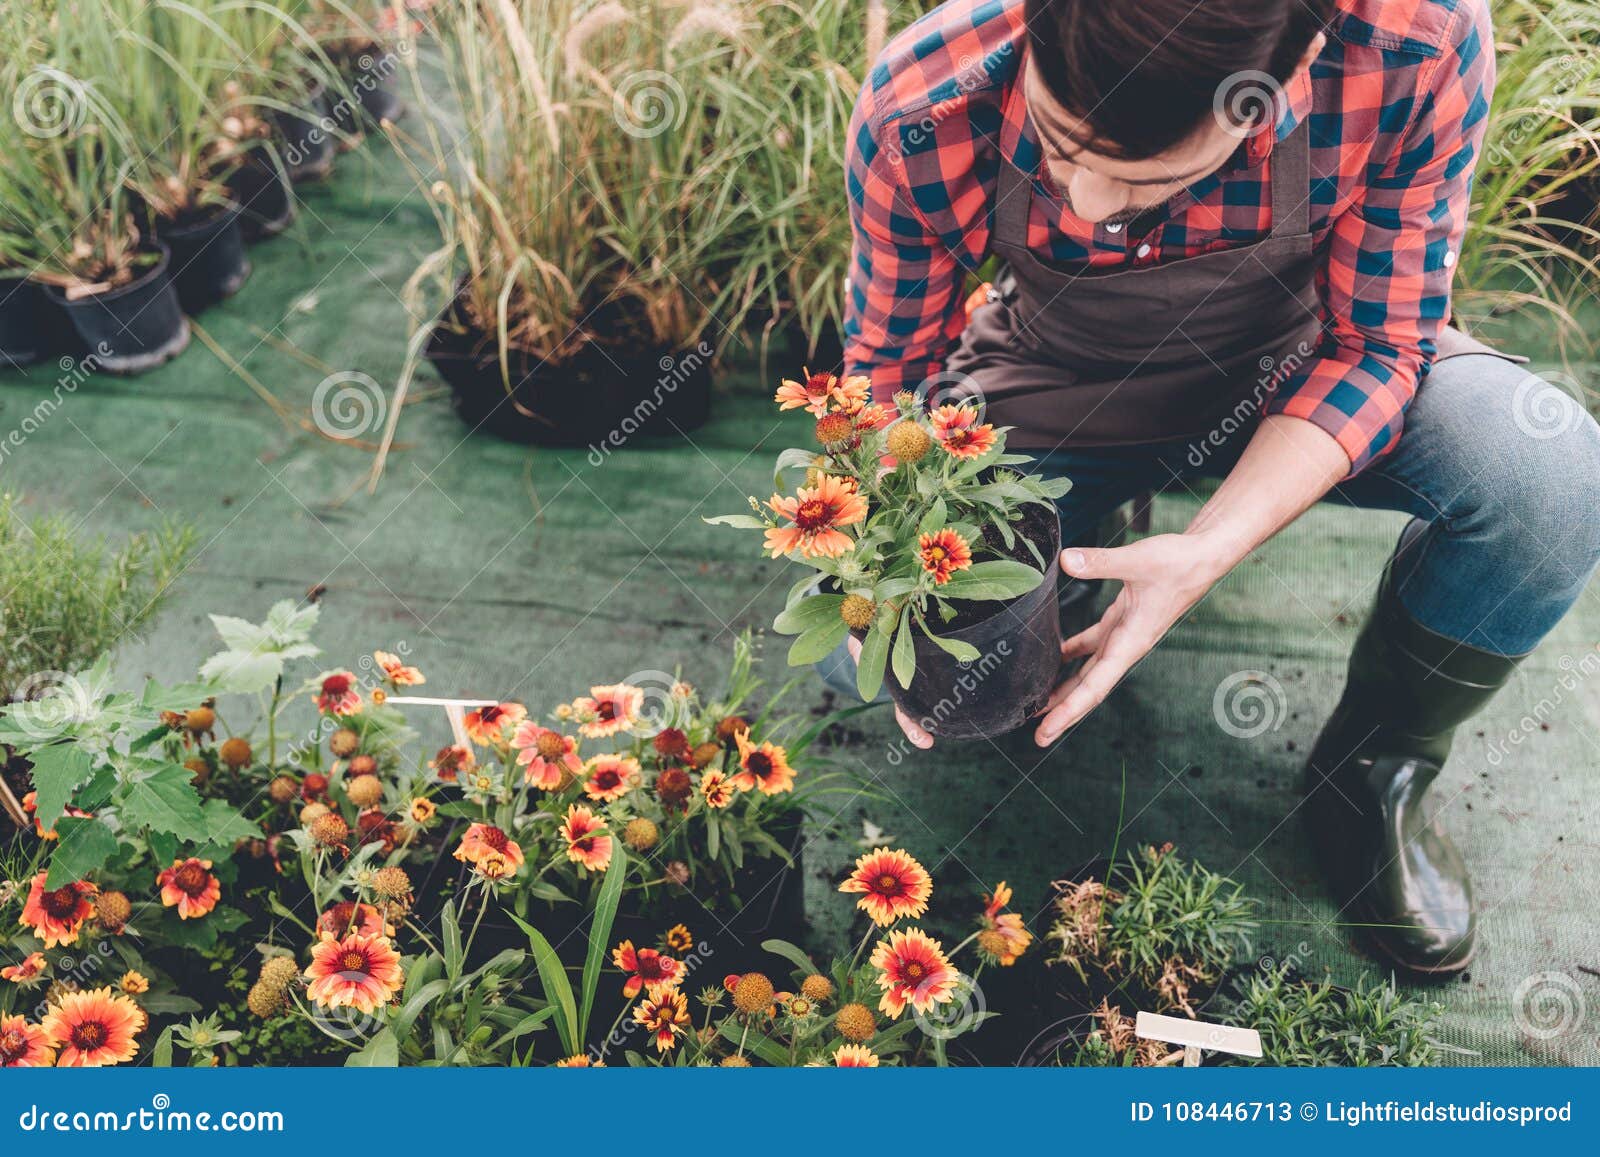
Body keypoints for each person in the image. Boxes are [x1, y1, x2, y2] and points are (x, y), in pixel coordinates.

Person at [826, 0, 1600, 972]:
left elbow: (1380, 343)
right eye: (1061, 147)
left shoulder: (1411, 41)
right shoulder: (928, 100)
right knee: (892, 651)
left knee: (1550, 476)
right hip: (1059, 374)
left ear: (1284, 77)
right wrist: (884, 574)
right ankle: (1063, 572)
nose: (1090, 202)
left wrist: (1207, 549)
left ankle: (1375, 769)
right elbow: (885, 380)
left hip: (1301, 363)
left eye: (1147, 175)